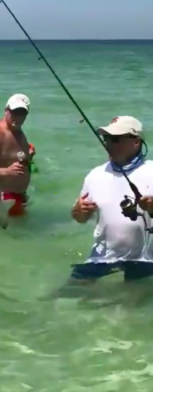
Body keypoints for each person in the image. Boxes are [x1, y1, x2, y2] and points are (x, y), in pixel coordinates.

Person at [69, 115, 153, 284]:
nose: (108, 144)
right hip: (101, 260)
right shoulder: (95, 175)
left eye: (115, 139)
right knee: (63, 297)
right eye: (106, 138)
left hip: (146, 261)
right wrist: (78, 212)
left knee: (127, 304)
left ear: (136, 142)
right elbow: (80, 218)